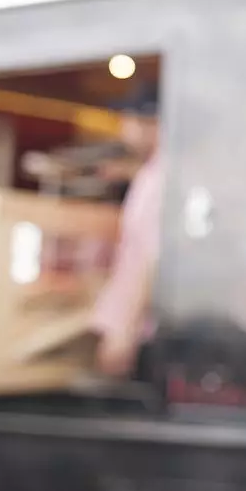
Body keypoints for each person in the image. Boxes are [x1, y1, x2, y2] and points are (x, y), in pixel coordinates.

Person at [87, 81, 164, 377]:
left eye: (127, 119)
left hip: (143, 335)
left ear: (151, 123)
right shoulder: (153, 173)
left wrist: (125, 332)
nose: (122, 128)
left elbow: (152, 258)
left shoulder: (161, 178)